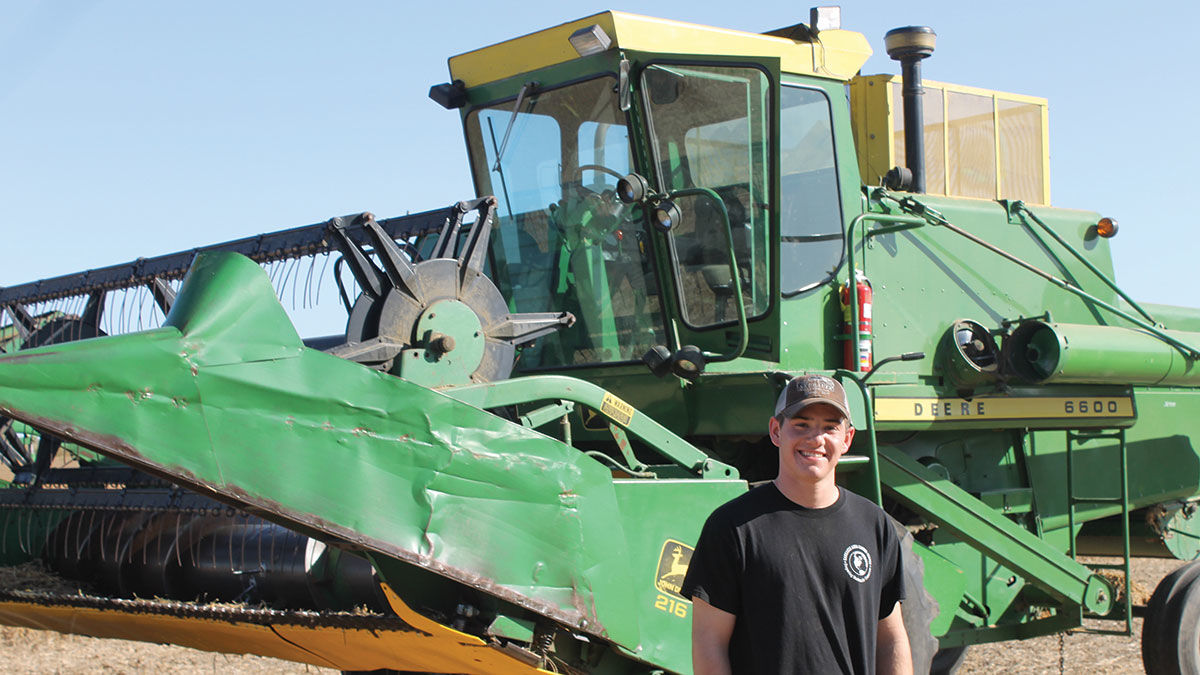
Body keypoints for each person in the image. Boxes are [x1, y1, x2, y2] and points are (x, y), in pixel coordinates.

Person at [680, 374, 912, 674]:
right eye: (801, 425)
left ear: (847, 439)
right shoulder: (733, 528)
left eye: (830, 427)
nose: (816, 439)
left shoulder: (874, 525)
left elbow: (891, 638)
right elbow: (709, 643)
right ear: (776, 431)